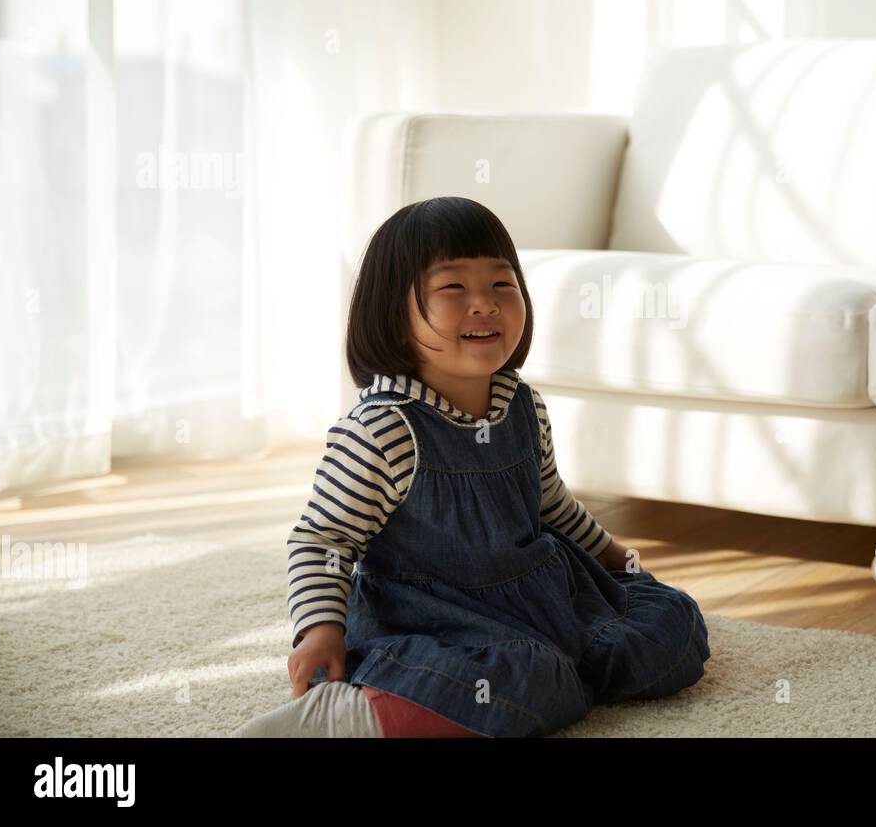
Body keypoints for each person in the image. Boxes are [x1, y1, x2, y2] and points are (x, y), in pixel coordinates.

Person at [230, 196, 711, 737]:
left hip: (543, 596)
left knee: (672, 630)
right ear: (393, 311)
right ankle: (356, 714)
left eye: (502, 286)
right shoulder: (385, 429)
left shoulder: (523, 405)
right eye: (454, 288)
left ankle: (568, 669)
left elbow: (551, 502)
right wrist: (319, 629)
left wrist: (611, 553)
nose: (484, 305)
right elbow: (323, 541)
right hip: (434, 619)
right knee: (528, 680)